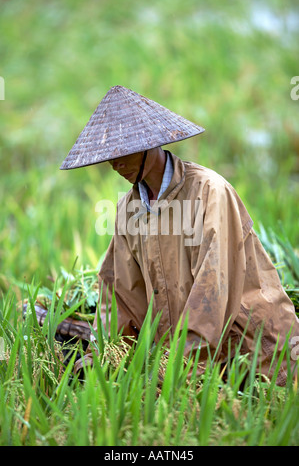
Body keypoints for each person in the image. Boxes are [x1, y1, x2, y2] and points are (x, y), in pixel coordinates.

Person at [60, 85, 299, 386]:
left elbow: (213, 287)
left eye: (122, 152)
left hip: (251, 352)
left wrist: (182, 366)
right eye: (108, 156)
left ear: (151, 145)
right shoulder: (129, 210)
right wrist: (105, 355)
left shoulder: (209, 193)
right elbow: (118, 292)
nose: (114, 164)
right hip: (187, 360)